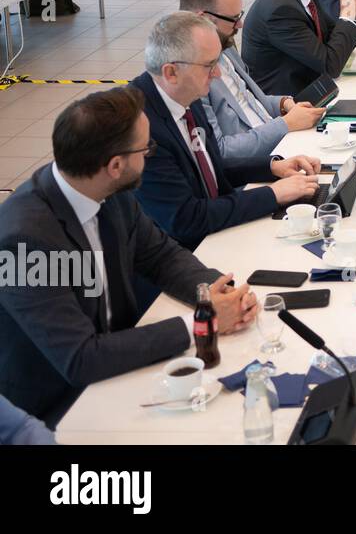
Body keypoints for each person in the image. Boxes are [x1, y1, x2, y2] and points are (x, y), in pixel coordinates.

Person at [0, 87, 261, 425]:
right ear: (115, 165)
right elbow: (80, 358)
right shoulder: (24, 241)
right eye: (146, 148)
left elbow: (160, 256)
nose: (149, 156)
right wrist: (202, 322)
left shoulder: (107, 189)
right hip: (58, 406)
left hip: (122, 360)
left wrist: (219, 293)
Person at [131, 12, 321, 250]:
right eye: (209, 65)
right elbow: (185, 219)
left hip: (212, 231)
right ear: (171, 72)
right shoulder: (140, 126)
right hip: (182, 252)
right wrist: (272, 195)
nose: (218, 74)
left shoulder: (186, 93)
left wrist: (271, 167)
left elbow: (208, 165)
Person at [179, 0, 326, 158]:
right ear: (204, 20)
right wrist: (286, 124)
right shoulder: (190, 78)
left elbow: (251, 101)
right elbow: (219, 152)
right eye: (233, 18)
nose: (240, 24)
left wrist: (284, 104)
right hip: (260, 160)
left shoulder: (224, 46)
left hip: (278, 139)